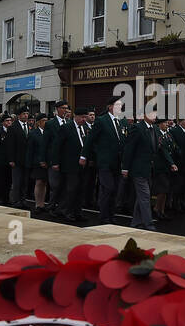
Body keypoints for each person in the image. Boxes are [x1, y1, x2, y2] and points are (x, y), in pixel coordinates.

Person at [121, 108, 159, 230]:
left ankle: (136, 222)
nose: (154, 116)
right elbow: (129, 149)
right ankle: (149, 223)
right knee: (145, 196)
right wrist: (125, 168)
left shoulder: (155, 129)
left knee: (142, 197)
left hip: (149, 168)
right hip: (138, 169)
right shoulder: (137, 128)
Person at [90, 96, 126, 224]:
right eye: (117, 105)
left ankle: (111, 215)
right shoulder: (101, 120)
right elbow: (91, 140)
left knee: (114, 190)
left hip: (117, 162)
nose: (120, 108)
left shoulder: (120, 122)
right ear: (110, 107)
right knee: (108, 188)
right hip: (105, 162)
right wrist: (86, 156)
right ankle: (104, 216)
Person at [57, 105, 90, 223]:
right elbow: (58, 146)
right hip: (70, 164)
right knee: (71, 189)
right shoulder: (66, 128)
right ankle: (67, 211)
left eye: (85, 117)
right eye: (82, 117)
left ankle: (78, 212)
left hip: (82, 165)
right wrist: (56, 162)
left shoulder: (85, 128)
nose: (84, 120)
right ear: (75, 117)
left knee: (81, 189)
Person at [41, 102, 69, 214]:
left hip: (65, 159)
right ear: (57, 109)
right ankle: (51, 206)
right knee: (55, 185)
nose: (65, 110)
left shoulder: (69, 123)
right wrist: (43, 159)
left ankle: (61, 207)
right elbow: (45, 143)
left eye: (66, 108)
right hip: (53, 159)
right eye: (63, 108)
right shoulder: (51, 124)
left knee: (64, 185)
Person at [152, 115, 178, 222]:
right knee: (162, 189)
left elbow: (173, 146)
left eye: (167, 122)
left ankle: (161, 211)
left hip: (167, 166)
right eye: (165, 123)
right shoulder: (157, 134)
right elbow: (163, 150)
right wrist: (171, 163)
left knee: (165, 189)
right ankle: (157, 209)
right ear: (159, 124)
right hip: (160, 165)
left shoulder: (168, 134)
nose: (167, 124)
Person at [6, 109, 30, 206]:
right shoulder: (13, 127)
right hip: (17, 159)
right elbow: (10, 144)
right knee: (17, 181)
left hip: (26, 159)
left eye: (27, 114)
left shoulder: (29, 126)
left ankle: (23, 199)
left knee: (25, 181)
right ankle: (16, 200)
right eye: (24, 113)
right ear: (19, 115)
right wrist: (11, 159)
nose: (26, 116)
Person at [27, 113, 49, 210]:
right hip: (37, 162)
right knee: (39, 182)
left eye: (47, 120)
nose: (46, 122)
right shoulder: (33, 133)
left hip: (47, 162)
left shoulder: (48, 132)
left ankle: (42, 203)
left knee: (44, 183)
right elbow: (30, 150)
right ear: (39, 122)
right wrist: (30, 163)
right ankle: (37, 204)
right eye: (44, 120)